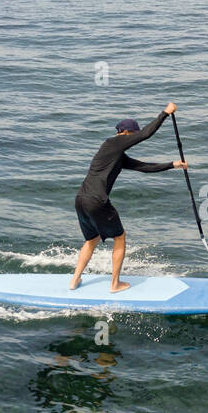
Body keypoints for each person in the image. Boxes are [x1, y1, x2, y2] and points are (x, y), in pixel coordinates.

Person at [70, 101, 188, 292]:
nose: (133, 139)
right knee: (120, 237)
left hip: (81, 199)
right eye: (132, 135)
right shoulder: (114, 142)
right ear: (125, 133)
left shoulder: (115, 154)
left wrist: (172, 164)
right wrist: (165, 113)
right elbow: (146, 134)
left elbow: (144, 167)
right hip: (97, 201)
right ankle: (115, 284)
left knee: (92, 240)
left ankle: (74, 280)